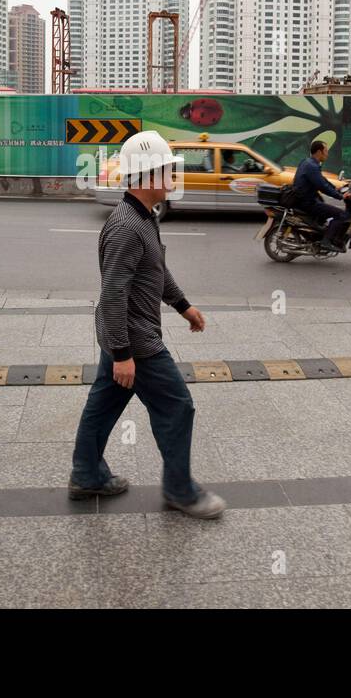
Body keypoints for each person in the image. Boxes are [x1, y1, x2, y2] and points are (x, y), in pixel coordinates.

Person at [70, 130, 226, 519]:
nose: (174, 176)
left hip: (122, 336)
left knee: (103, 405)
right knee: (177, 406)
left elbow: (156, 269)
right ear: (149, 176)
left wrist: (183, 306)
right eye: (169, 169)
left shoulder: (143, 217)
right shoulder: (126, 226)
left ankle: (86, 474)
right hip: (135, 340)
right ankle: (181, 491)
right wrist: (123, 354)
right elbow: (113, 295)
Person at [291, 140, 350, 251]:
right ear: (319, 152)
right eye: (326, 151)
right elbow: (322, 186)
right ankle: (326, 241)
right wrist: (340, 196)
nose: (327, 154)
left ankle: (319, 236)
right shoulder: (312, 166)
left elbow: (322, 180)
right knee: (341, 215)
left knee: (325, 212)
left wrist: (336, 188)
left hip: (305, 199)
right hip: (307, 202)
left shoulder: (307, 162)